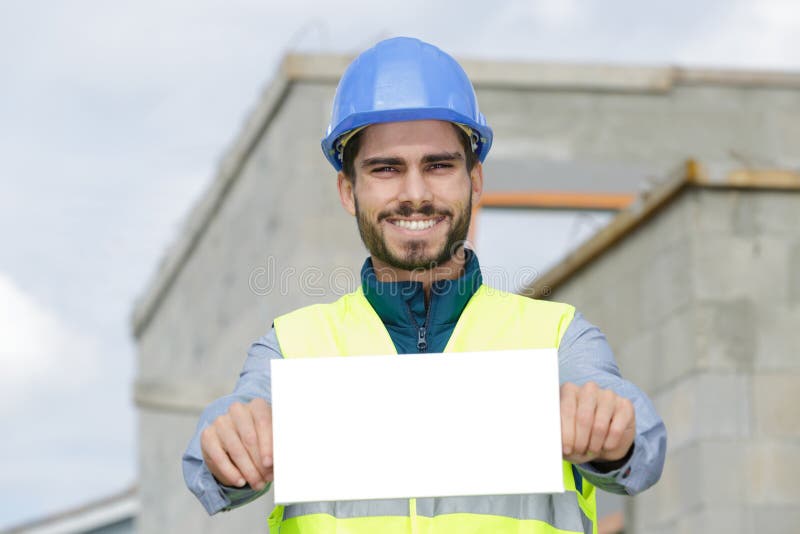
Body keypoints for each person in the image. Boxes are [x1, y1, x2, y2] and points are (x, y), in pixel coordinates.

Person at [183, 36, 666, 534]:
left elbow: (643, 443)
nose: (415, 194)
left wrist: (613, 431)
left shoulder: (559, 340)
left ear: (475, 182)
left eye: (438, 165)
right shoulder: (291, 350)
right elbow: (217, 449)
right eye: (386, 169)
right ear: (348, 190)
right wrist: (228, 441)